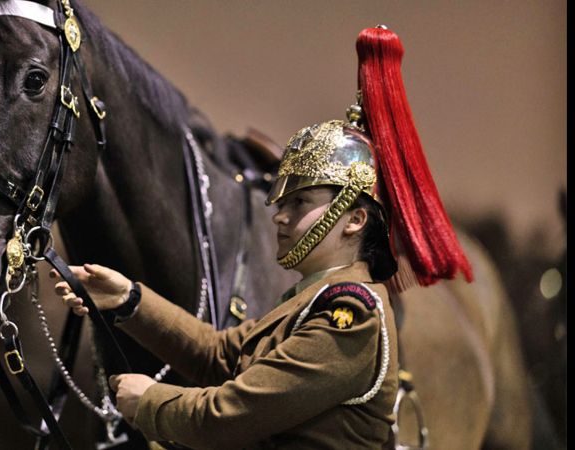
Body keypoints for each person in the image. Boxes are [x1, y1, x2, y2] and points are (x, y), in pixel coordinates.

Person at [51, 26, 471, 449]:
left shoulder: (352, 316)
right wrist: (129, 300)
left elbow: (225, 416)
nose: (280, 217)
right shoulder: (304, 302)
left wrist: (150, 402)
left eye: (301, 202)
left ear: (355, 219)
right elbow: (219, 355)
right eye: (281, 203)